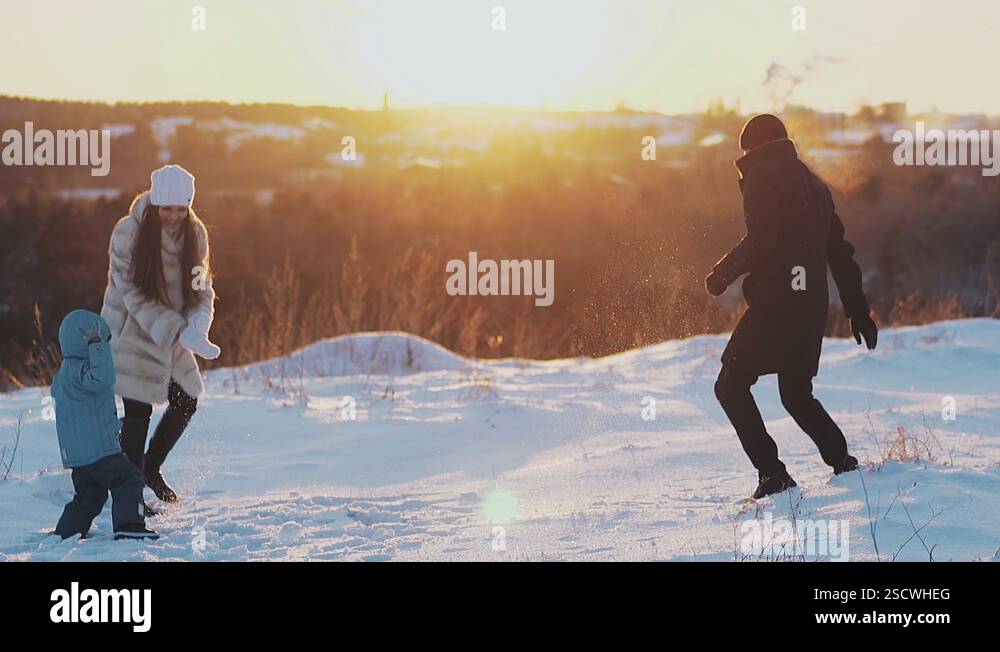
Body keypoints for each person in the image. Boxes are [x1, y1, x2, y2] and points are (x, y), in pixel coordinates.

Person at [706, 114, 879, 500]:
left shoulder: (761, 176)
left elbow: (761, 239)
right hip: (811, 306)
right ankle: (843, 462)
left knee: (730, 385)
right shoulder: (815, 184)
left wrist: (721, 274)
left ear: (751, 149)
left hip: (776, 304)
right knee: (797, 393)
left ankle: (773, 475)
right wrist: (857, 310)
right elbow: (840, 253)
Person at [100, 164, 220, 511]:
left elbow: (201, 286)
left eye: (181, 209)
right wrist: (177, 329)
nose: (173, 216)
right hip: (130, 330)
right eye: (166, 208)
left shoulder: (195, 233)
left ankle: (149, 468)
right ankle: (129, 495)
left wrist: (198, 325)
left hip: (173, 332)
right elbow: (133, 296)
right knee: (138, 409)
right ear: (154, 203)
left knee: (187, 398)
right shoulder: (128, 232)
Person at [51, 309, 158, 540]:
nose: (107, 348)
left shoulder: (63, 375)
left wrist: (114, 425)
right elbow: (104, 378)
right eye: (103, 342)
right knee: (128, 479)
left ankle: (67, 532)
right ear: (85, 341)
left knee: (90, 495)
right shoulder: (84, 371)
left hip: (78, 454)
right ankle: (130, 525)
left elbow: (85, 414)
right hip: (98, 450)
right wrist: (97, 345)